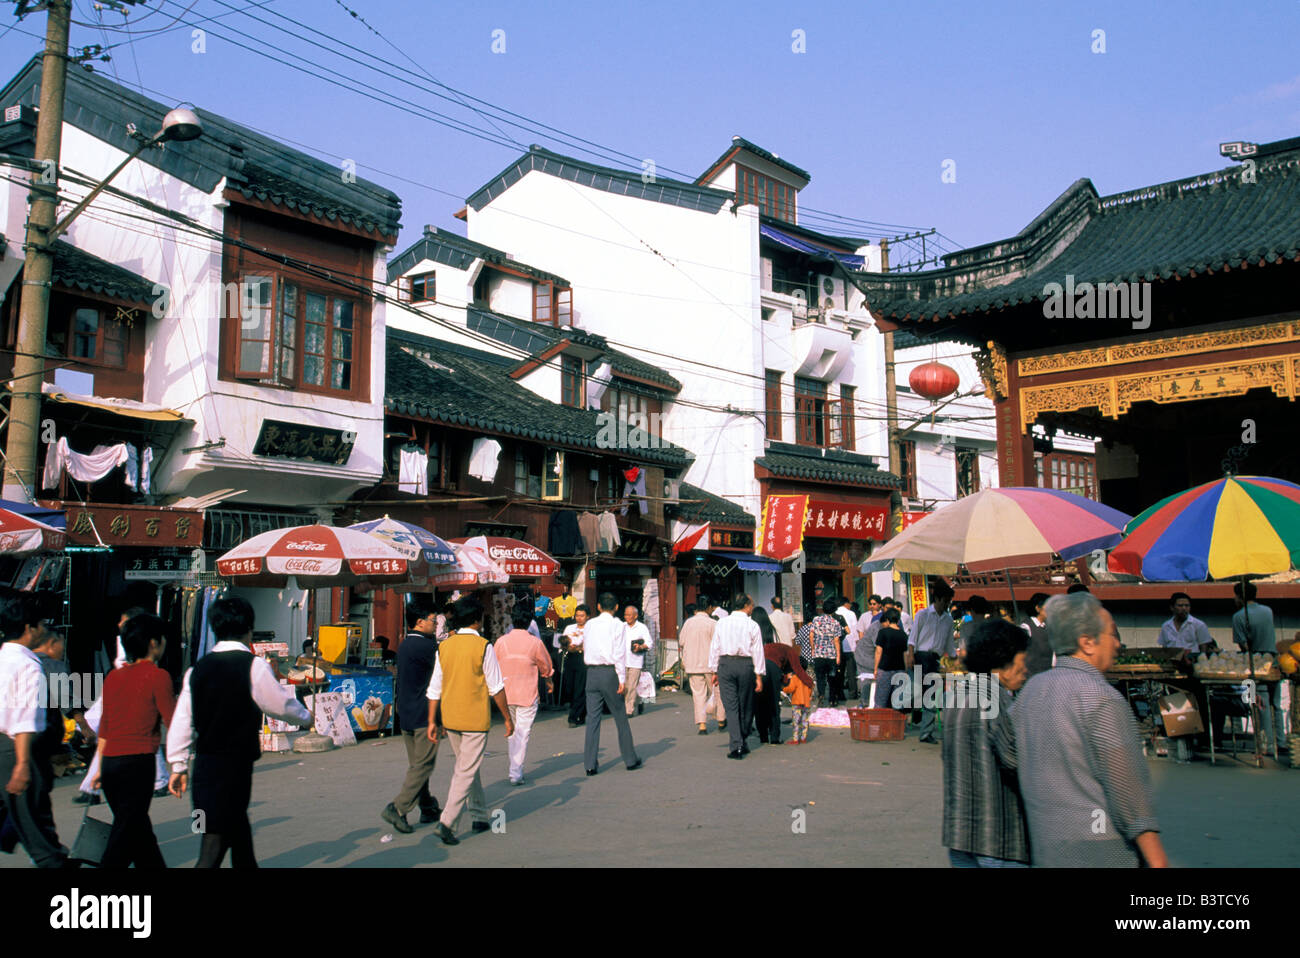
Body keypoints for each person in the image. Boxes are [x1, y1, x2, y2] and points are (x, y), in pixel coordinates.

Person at [1014, 592, 1167, 867]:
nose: (1118, 643)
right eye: (1111, 633)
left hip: (1047, 846)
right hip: (1100, 850)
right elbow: (1127, 791)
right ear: (1087, 642)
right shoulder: (1101, 697)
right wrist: (1157, 859)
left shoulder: (1030, 693)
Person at [167, 596, 313, 868]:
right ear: (249, 629)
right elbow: (279, 703)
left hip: (203, 769)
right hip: (233, 768)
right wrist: (306, 717)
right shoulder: (253, 666)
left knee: (220, 829)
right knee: (213, 846)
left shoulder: (196, 670)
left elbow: (182, 720)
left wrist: (177, 765)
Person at [426, 596, 515, 845]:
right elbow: (496, 687)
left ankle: (478, 815)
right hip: (474, 718)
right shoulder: (484, 646)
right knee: (466, 770)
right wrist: (508, 718)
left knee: (468, 766)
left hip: (451, 717)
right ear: (478, 620)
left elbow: (434, 688)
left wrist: (433, 720)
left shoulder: (444, 646)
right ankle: (447, 822)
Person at [943, 618, 1030, 868]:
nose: (1025, 672)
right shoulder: (996, 698)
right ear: (1001, 665)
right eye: (1021, 664)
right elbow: (1016, 762)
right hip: (997, 838)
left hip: (960, 833)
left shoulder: (957, 695)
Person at [93, 613, 176, 869]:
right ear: (154, 643)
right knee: (125, 835)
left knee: (137, 831)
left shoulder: (113, 677)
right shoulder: (158, 676)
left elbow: (105, 727)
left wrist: (97, 769)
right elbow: (172, 721)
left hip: (110, 764)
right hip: (136, 764)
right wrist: (180, 764)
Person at [0, 588, 68, 867]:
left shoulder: (3, 658)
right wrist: (23, 763)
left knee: (25, 820)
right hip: (17, 749)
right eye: (41, 624)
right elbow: (25, 718)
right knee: (38, 834)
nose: (44, 630)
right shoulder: (28, 665)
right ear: (29, 628)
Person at [381, 603, 442, 835]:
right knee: (423, 764)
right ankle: (398, 808)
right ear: (420, 622)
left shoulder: (406, 644)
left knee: (418, 764)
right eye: (433, 620)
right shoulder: (427, 647)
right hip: (423, 713)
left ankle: (427, 806)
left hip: (406, 711)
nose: (436, 625)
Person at [581, 593, 641, 775]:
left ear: (598, 606)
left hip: (591, 673)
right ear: (616, 608)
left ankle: (590, 764)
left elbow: (585, 645)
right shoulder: (618, 625)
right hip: (609, 673)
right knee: (620, 716)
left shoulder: (589, 624)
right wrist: (621, 679)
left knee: (592, 719)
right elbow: (619, 653)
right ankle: (630, 759)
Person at [496, 606, 554, 786]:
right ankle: (515, 772)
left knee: (513, 731)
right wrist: (548, 680)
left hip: (506, 693)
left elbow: (493, 666)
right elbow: (546, 666)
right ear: (530, 622)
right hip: (527, 693)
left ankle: (514, 768)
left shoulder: (501, 642)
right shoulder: (534, 643)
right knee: (522, 732)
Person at [709, 593, 765, 760]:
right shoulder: (752, 625)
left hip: (725, 664)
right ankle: (743, 738)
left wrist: (714, 670)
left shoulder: (722, 623)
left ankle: (736, 744)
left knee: (731, 707)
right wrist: (759, 675)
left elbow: (715, 647)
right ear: (746, 606)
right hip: (746, 665)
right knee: (746, 704)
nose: (752, 608)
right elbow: (758, 651)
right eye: (752, 605)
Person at [1232, 581, 1286, 752]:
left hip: (1256, 663)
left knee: (1260, 705)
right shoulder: (1267, 611)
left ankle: (1268, 745)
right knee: (1276, 704)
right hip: (1274, 661)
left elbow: (1243, 645)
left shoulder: (1239, 616)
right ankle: (1281, 741)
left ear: (1240, 597)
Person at [906, 581, 955, 743]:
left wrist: (953, 662)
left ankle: (925, 732)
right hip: (920, 656)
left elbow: (949, 644)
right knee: (920, 692)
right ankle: (914, 720)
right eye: (946, 600)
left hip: (934, 659)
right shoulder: (923, 614)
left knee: (931, 695)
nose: (947, 604)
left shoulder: (948, 620)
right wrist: (911, 656)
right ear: (938, 599)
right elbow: (912, 639)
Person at [680, 600, 722, 734]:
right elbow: (718, 645)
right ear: (709, 608)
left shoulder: (688, 623)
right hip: (710, 664)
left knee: (698, 694)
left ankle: (702, 725)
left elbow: (681, 641)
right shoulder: (713, 623)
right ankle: (721, 719)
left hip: (693, 663)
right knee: (717, 692)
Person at [808, 599, 843, 708]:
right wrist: (838, 655)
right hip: (831, 654)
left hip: (818, 654)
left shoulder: (816, 620)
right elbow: (836, 640)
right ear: (833, 611)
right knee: (832, 678)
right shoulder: (835, 623)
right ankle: (832, 699)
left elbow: (811, 636)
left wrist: (813, 649)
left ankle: (821, 696)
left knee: (820, 677)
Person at [872, 608, 909, 710]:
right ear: (898, 620)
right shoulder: (903, 635)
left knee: (881, 699)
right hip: (900, 669)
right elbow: (905, 654)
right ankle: (895, 723)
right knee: (897, 701)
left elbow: (878, 651)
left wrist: (875, 669)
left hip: (885, 669)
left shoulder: (883, 632)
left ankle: (880, 722)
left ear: (887, 620)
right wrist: (905, 670)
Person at [560, 605, 589, 727]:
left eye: (582, 616)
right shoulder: (569, 628)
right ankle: (582, 713)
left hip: (583, 659)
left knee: (579, 688)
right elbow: (562, 641)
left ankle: (573, 717)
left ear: (587, 616)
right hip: (570, 658)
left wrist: (579, 648)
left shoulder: (590, 628)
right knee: (570, 687)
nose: (579, 618)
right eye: (577, 615)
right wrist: (567, 646)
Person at [622, 605, 652, 717]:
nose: (627, 617)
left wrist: (640, 647)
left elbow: (649, 643)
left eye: (629, 615)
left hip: (636, 661)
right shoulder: (622, 626)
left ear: (636, 616)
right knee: (625, 686)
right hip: (622, 661)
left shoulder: (642, 627)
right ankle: (639, 701)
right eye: (626, 614)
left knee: (632, 686)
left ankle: (628, 710)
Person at [1021, 593, 1053, 677]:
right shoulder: (1026, 627)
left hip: (1047, 675)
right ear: (1038, 608)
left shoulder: (1048, 627)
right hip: (1030, 677)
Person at [784, 668, 813, 745]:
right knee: (805, 721)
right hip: (806, 703)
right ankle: (803, 738)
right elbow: (810, 690)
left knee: (796, 721)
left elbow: (790, 689)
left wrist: (783, 688)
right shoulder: (808, 678)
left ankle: (795, 739)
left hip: (797, 702)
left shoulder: (795, 677)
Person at [836, 605, 858, 701]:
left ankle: (839, 694)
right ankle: (853, 693)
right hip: (850, 647)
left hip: (838, 648)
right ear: (847, 603)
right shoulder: (851, 614)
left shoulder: (835, 614)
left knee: (839, 672)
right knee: (851, 672)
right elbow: (855, 630)